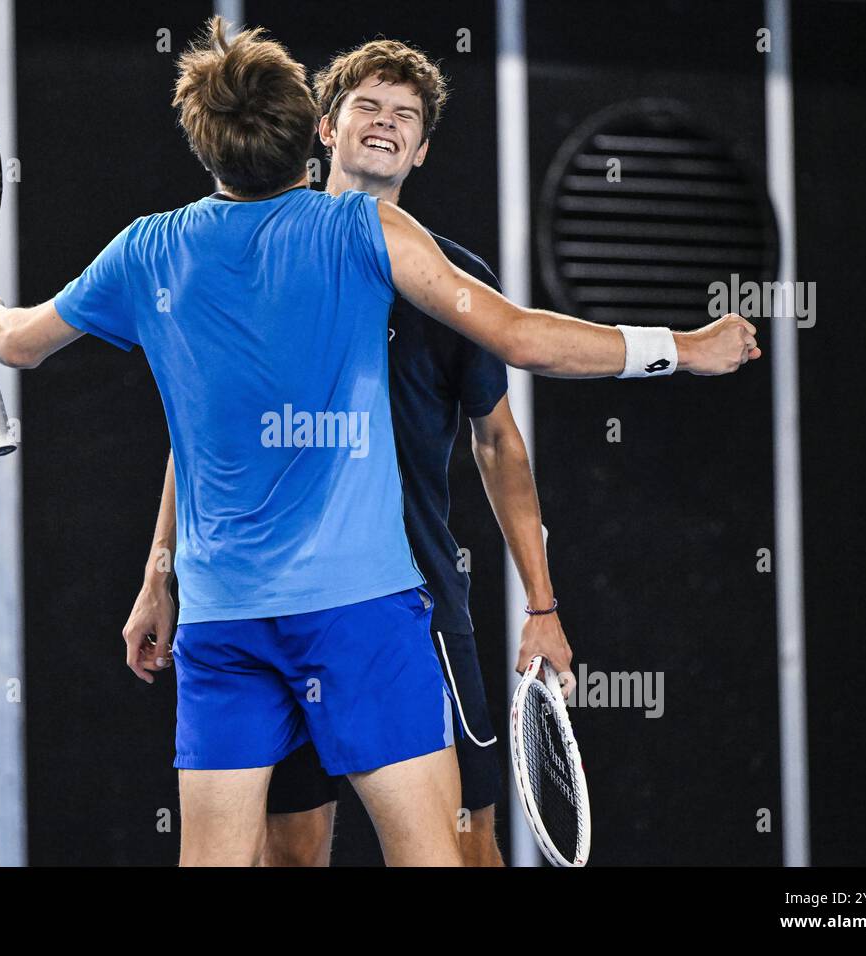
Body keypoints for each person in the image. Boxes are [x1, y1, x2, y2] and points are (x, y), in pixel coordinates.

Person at [0, 17, 759, 867]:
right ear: (313, 138)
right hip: (361, 615)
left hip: (223, 625)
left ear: (205, 145)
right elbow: (522, 338)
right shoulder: (365, 233)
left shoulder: (147, 250)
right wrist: (684, 348)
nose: (385, 123)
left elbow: (23, 341)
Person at [126, 38, 563, 868]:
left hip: (416, 601)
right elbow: (202, 436)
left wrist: (542, 608)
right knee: (292, 850)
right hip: (270, 603)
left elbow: (499, 442)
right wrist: (160, 570)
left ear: (423, 150)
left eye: (407, 116)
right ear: (324, 128)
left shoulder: (453, 278)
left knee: (468, 849)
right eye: (369, 106)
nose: (387, 124)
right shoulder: (241, 255)